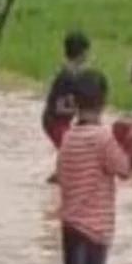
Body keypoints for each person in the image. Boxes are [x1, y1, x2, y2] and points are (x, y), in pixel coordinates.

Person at [56, 69, 131, 264]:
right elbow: (123, 170)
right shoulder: (103, 138)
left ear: (75, 103)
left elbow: (61, 176)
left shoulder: (67, 137)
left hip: (69, 224)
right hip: (95, 229)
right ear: (104, 101)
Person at [42, 30, 91, 183]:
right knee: (71, 151)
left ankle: (59, 179)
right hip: (54, 121)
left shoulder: (73, 73)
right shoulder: (67, 76)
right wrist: (81, 111)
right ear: (83, 53)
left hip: (60, 121)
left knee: (69, 152)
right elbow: (59, 107)